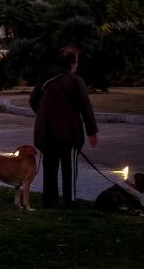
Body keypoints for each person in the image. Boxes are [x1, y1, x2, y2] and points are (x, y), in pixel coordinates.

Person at [29, 45, 99, 208]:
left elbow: (33, 101)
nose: (78, 64)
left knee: (50, 168)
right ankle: (70, 200)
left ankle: (49, 200)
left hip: (46, 133)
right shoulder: (75, 81)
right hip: (69, 133)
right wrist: (92, 132)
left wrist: (44, 115)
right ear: (72, 62)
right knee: (69, 169)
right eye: (77, 61)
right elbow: (85, 107)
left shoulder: (45, 79)